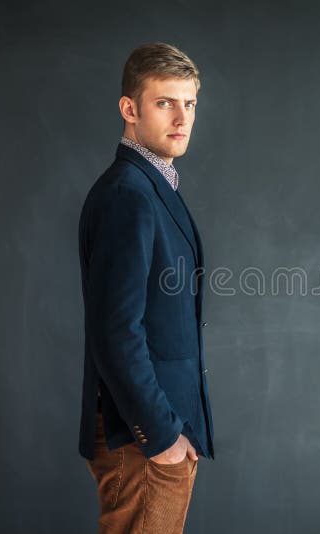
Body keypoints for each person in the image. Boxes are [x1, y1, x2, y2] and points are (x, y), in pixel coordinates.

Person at [77, 42, 214, 534]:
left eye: (190, 103)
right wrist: (161, 437)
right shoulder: (127, 195)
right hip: (142, 440)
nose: (182, 117)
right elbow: (115, 331)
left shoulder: (151, 187)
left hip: (158, 431)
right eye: (165, 102)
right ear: (129, 109)